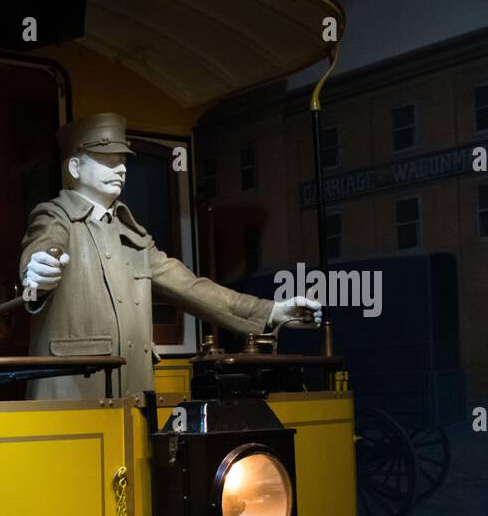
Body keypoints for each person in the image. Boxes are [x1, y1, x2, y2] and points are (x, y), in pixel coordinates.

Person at [20, 112, 321, 400]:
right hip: (74, 395)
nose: (121, 169)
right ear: (75, 168)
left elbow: (193, 289)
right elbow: (40, 256)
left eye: (123, 160)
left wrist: (271, 312)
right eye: (108, 160)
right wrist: (35, 275)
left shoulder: (133, 235)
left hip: (133, 391)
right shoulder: (54, 216)